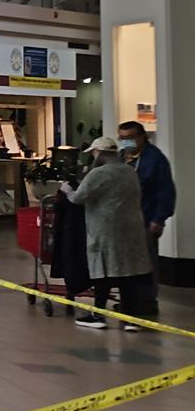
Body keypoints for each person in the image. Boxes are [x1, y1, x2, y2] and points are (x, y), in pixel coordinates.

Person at [61, 136, 154, 330]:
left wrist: (67, 190)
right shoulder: (130, 171)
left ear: (100, 153)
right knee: (128, 272)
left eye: (94, 153)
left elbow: (79, 198)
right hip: (132, 229)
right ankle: (129, 318)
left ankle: (98, 316)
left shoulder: (98, 173)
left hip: (105, 230)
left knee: (103, 272)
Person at [119, 120, 175, 322]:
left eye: (130, 138)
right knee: (127, 263)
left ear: (142, 137)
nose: (126, 142)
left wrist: (159, 219)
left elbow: (166, 191)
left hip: (146, 219)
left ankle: (147, 302)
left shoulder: (155, 159)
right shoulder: (122, 158)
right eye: (122, 138)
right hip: (123, 221)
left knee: (146, 262)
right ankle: (130, 300)